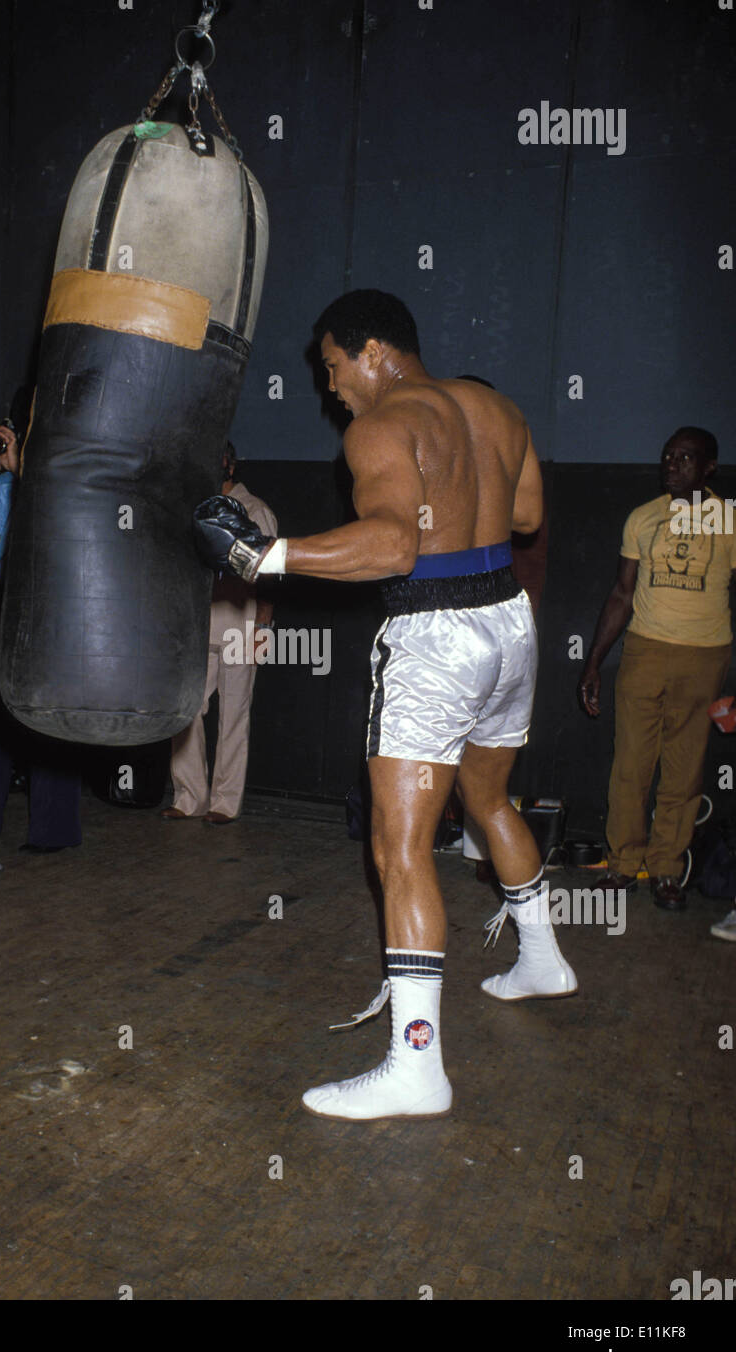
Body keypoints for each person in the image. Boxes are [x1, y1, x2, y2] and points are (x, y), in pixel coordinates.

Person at [193, 288, 576, 1121]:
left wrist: (264, 557)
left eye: (331, 367)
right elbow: (525, 513)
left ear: (370, 352)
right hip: (507, 624)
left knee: (398, 845)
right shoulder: (495, 407)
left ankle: (415, 1068)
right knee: (487, 799)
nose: (330, 388)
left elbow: (392, 545)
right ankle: (542, 958)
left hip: (437, 638)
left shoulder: (379, 425)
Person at [578, 428, 734, 911]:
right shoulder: (644, 518)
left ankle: (667, 869)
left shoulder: (728, 521)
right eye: (668, 456)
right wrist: (593, 662)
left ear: (709, 467)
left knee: (684, 770)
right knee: (631, 764)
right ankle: (624, 864)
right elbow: (622, 594)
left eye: (686, 458)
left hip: (704, 654)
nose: (673, 464)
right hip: (645, 650)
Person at [0, 422, 81, 852]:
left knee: (45, 720)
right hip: (3, 608)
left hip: (50, 609)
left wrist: (24, 468)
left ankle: (54, 830)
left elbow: (52, 523)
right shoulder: (7, 484)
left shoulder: (59, 480)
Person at [163, 442, 277, 824]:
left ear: (230, 465)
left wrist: (264, 624)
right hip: (199, 627)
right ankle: (188, 797)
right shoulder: (194, 511)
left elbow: (269, 575)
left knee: (233, 716)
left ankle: (225, 803)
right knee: (186, 712)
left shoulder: (255, 510)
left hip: (241, 627)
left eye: (217, 459)